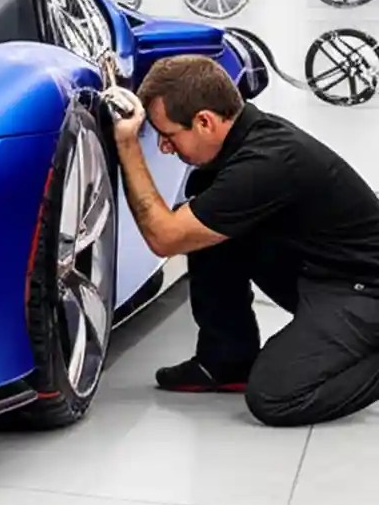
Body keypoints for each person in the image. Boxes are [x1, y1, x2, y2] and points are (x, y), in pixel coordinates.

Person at [100, 54, 379, 427]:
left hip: (363, 290)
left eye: (167, 136)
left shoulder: (268, 161)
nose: (165, 148)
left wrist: (128, 143)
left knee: (275, 397)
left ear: (204, 122)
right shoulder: (242, 145)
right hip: (321, 271)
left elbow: (164, 237)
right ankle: (226, 360)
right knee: (204, 210)